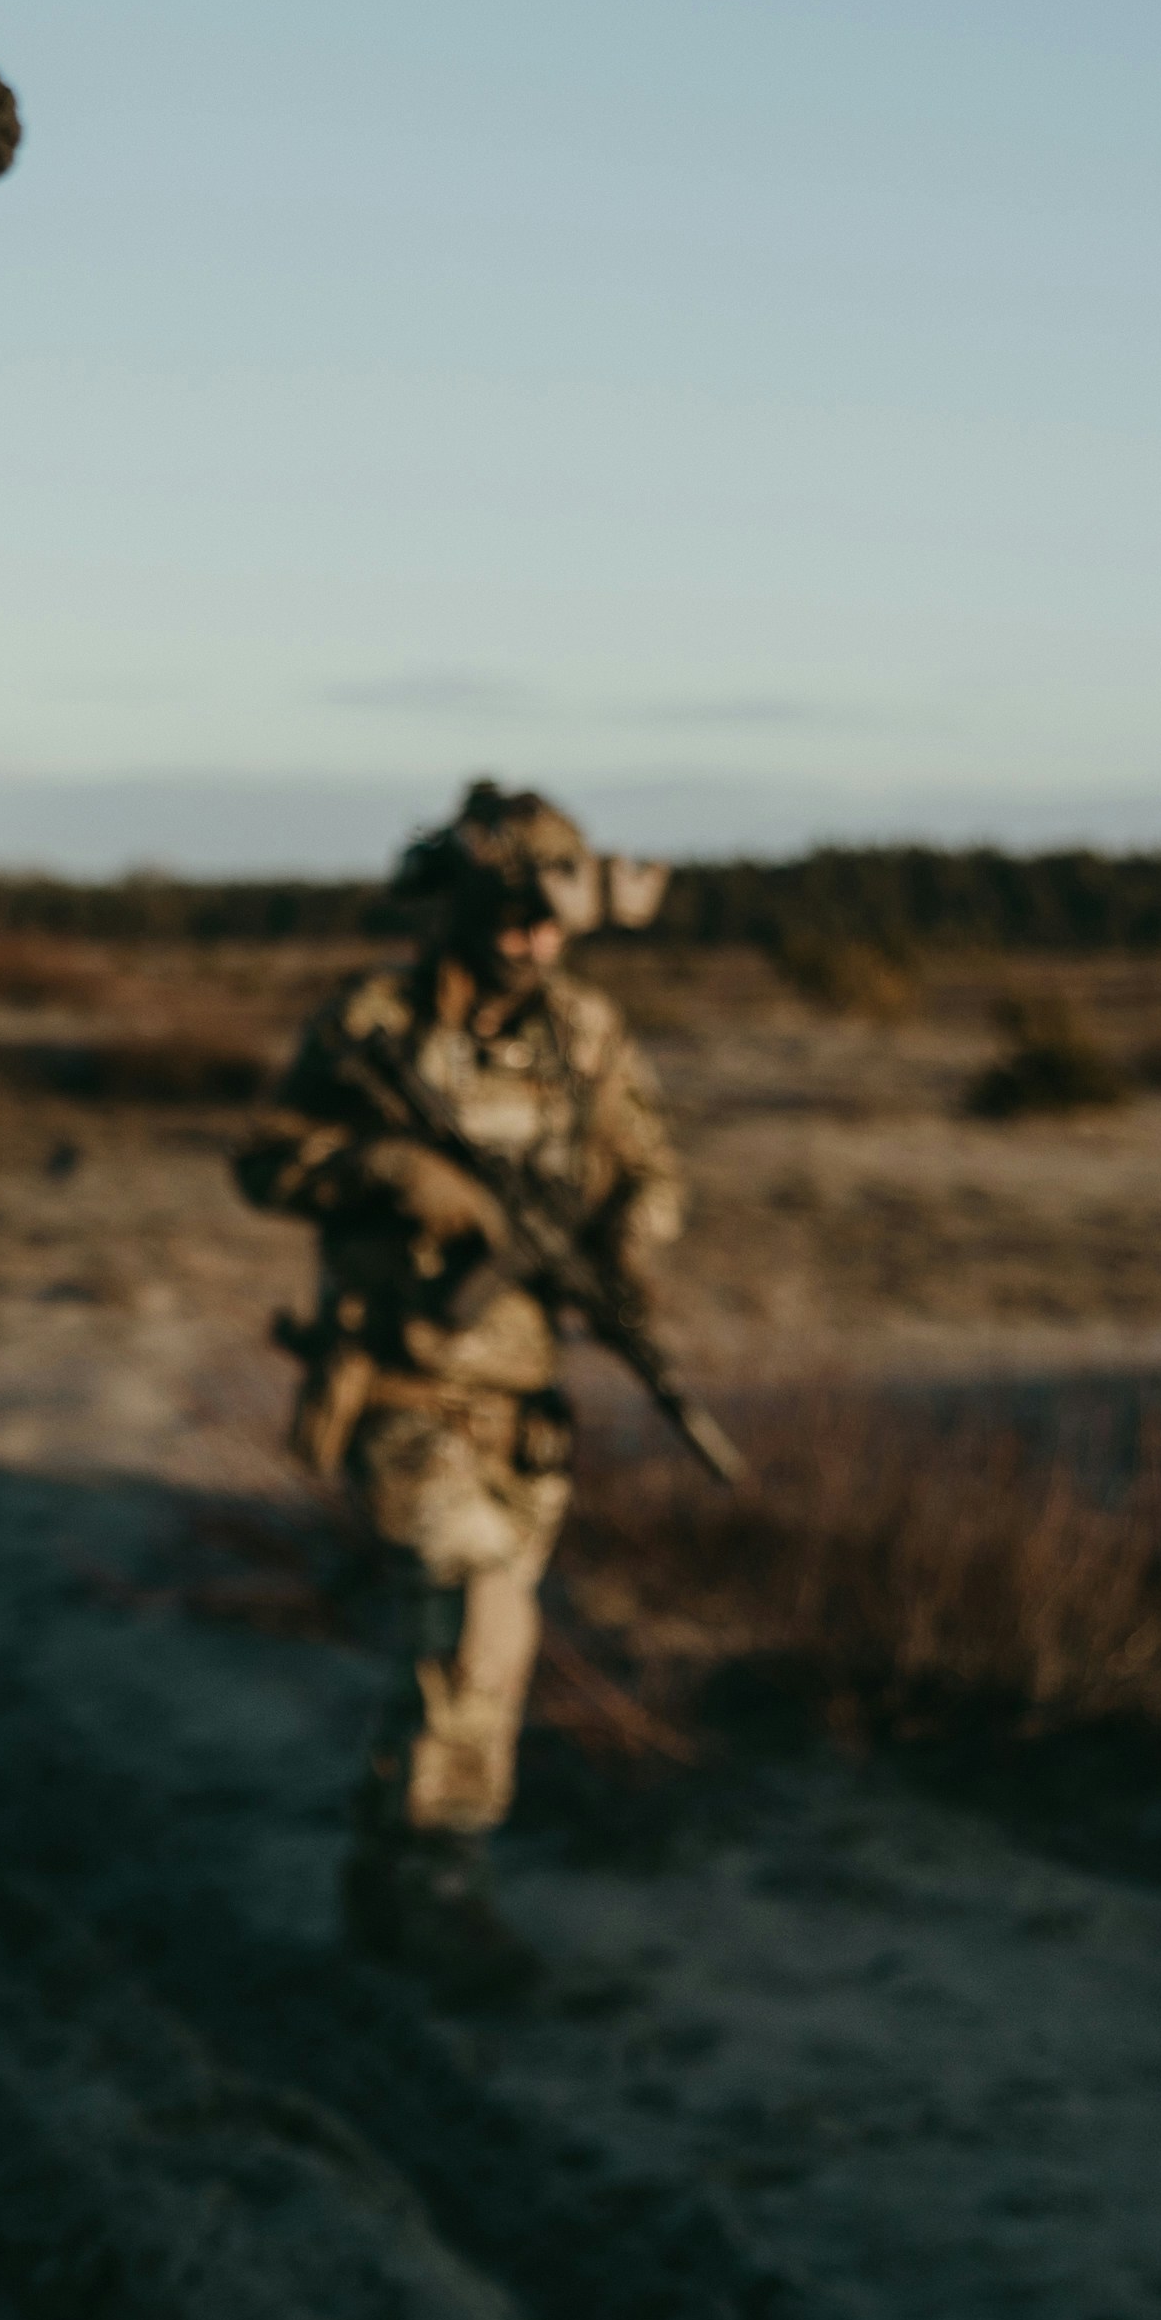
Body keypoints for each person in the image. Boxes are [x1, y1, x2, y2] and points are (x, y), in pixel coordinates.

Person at [231, 783, 683, 1992]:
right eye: (516, 913)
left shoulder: (585, 1034)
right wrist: (380, 1170)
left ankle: (387, 1878)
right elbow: (265, 1161)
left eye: (554, 921)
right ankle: (440, 1887)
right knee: (478, 1613)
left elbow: (651, 1171)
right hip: (396, 1387)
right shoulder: (376, 1020)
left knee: (469, 1657)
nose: (535, 940)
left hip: (523, 1402)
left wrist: (622, 1249)